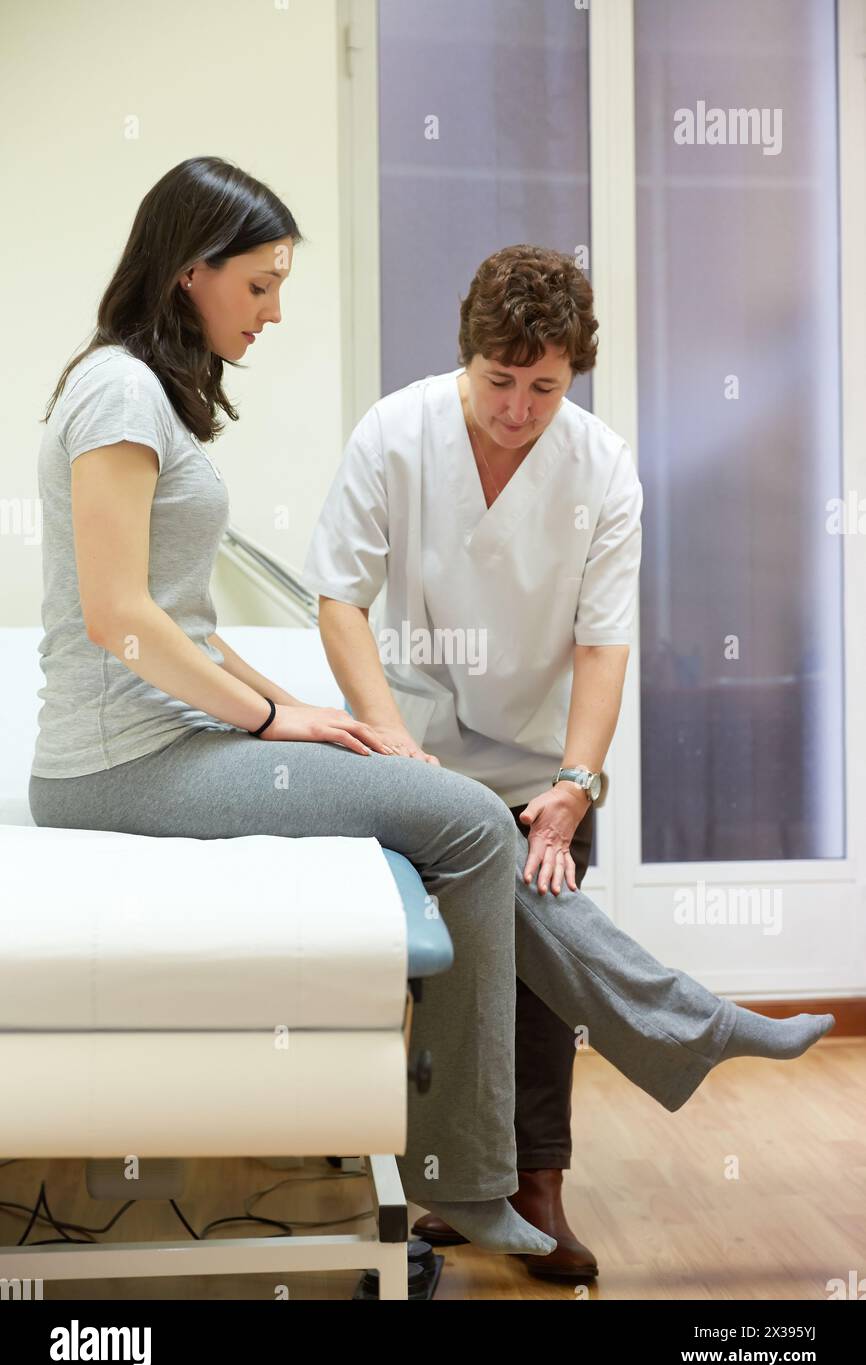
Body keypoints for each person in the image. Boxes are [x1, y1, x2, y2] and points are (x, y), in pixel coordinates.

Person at [28, 157, 835, 1282]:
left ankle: (542, 1138)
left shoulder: (143, 391)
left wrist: (291, 710)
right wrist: (275, 714)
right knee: (464, 821)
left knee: (487, 840)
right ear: (190, 271)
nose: (272, 310)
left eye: (278, 285)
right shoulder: (125, 392)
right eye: (259, 284)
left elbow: (170, 617)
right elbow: (119, 617)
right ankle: (499, 1154)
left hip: (192, 742)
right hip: (120, 763)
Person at [303, 243, 639, 1274]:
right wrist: (390, 739)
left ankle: (534, 1186)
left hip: (541, 760)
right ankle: (451, 1182)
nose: (517, 410)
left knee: (537, 965)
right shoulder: (395, 436)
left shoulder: (601, 467)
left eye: (543, 388)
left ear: (570, 374)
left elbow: (601, 640)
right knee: (431, 964)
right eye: (499, 383)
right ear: (467, 360)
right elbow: (338, 597)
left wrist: (573, 788)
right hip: (418, 745)